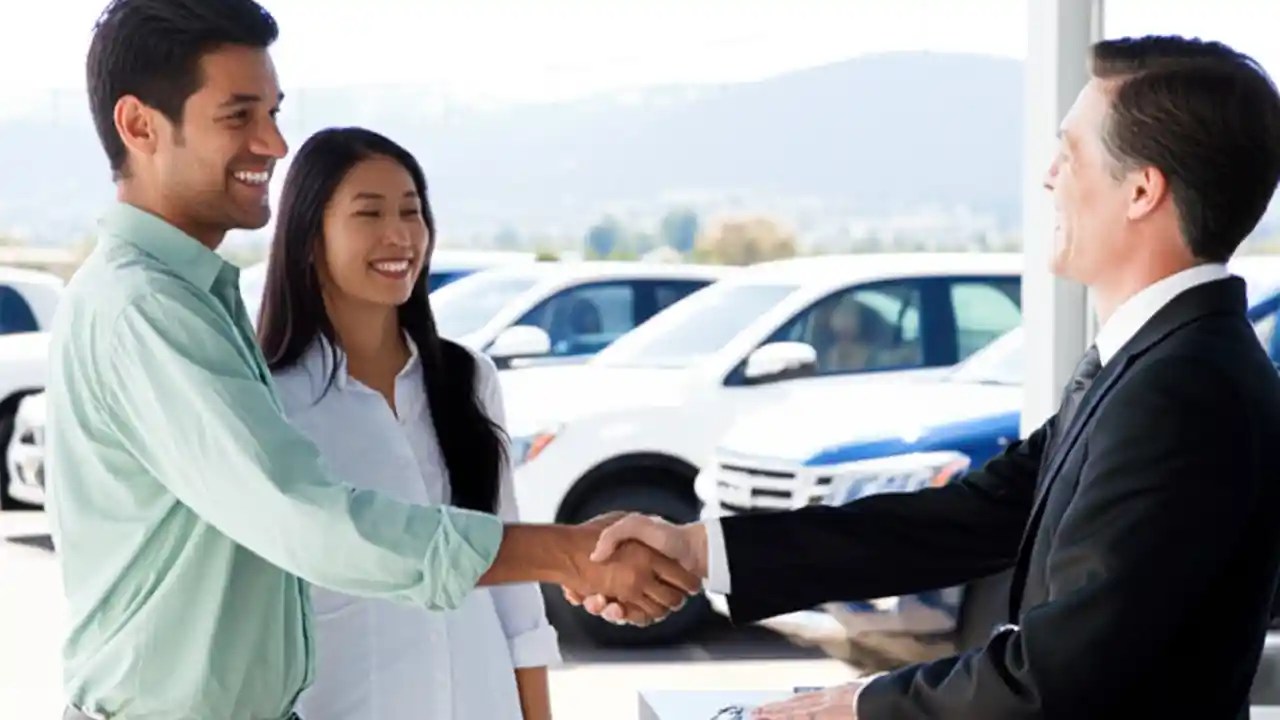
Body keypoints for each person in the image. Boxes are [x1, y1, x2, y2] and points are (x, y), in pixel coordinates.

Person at [579, 35, 1280, 719]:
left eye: (1069, 155)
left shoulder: (1184, 389)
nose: (1048, 177)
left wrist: (861, 705)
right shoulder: (1162, 360)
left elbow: (1061, 675)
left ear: (1140, 191)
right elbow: (973, 516)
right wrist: (703, 552)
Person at [45, 2, 695, 718]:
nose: (273, 142)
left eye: (273, 111)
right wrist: (568, 553)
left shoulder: (191, 297)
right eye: (239, 116)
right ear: (139, 126)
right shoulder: (146, 309)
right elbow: (309, 521)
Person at [257, 127, 559, 719]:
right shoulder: (269, 397)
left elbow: (512, 586)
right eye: (368, 213)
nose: (399, 235)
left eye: (412, 212)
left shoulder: (467, 378)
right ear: (309, 237)